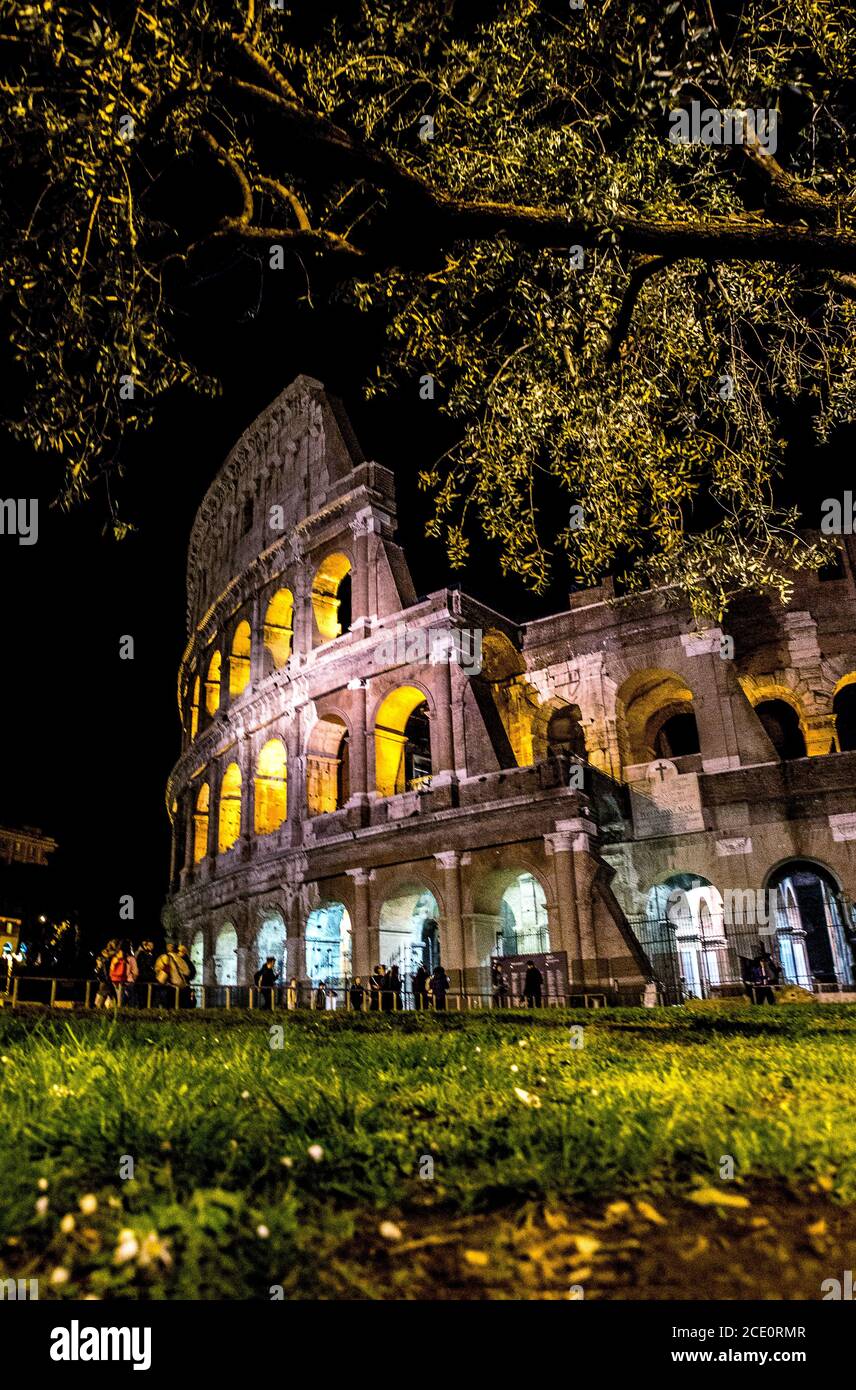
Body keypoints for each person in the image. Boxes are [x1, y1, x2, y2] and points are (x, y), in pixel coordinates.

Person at [154, 943, 191, 1007]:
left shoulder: (163, 957)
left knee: (168, 1007)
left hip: (169, 986)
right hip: (181, 987)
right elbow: (187, 972)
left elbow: (157, 970)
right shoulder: (180, 959)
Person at [135, 940, 157, 1005]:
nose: (152, 947)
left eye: (152, 946)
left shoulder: (149, 954)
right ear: (146, 946)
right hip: (144, 977)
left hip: (146, 976)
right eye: (150, 946)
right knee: (144, 994)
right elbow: (145, 965)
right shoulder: (142, 954)